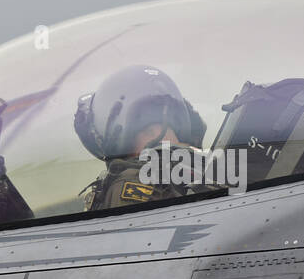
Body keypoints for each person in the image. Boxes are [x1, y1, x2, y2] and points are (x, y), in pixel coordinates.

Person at [74, 65, 206, 211]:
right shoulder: (137, 185)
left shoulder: (131, 185)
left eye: (170, 129)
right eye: (149, 131)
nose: (167, 140)